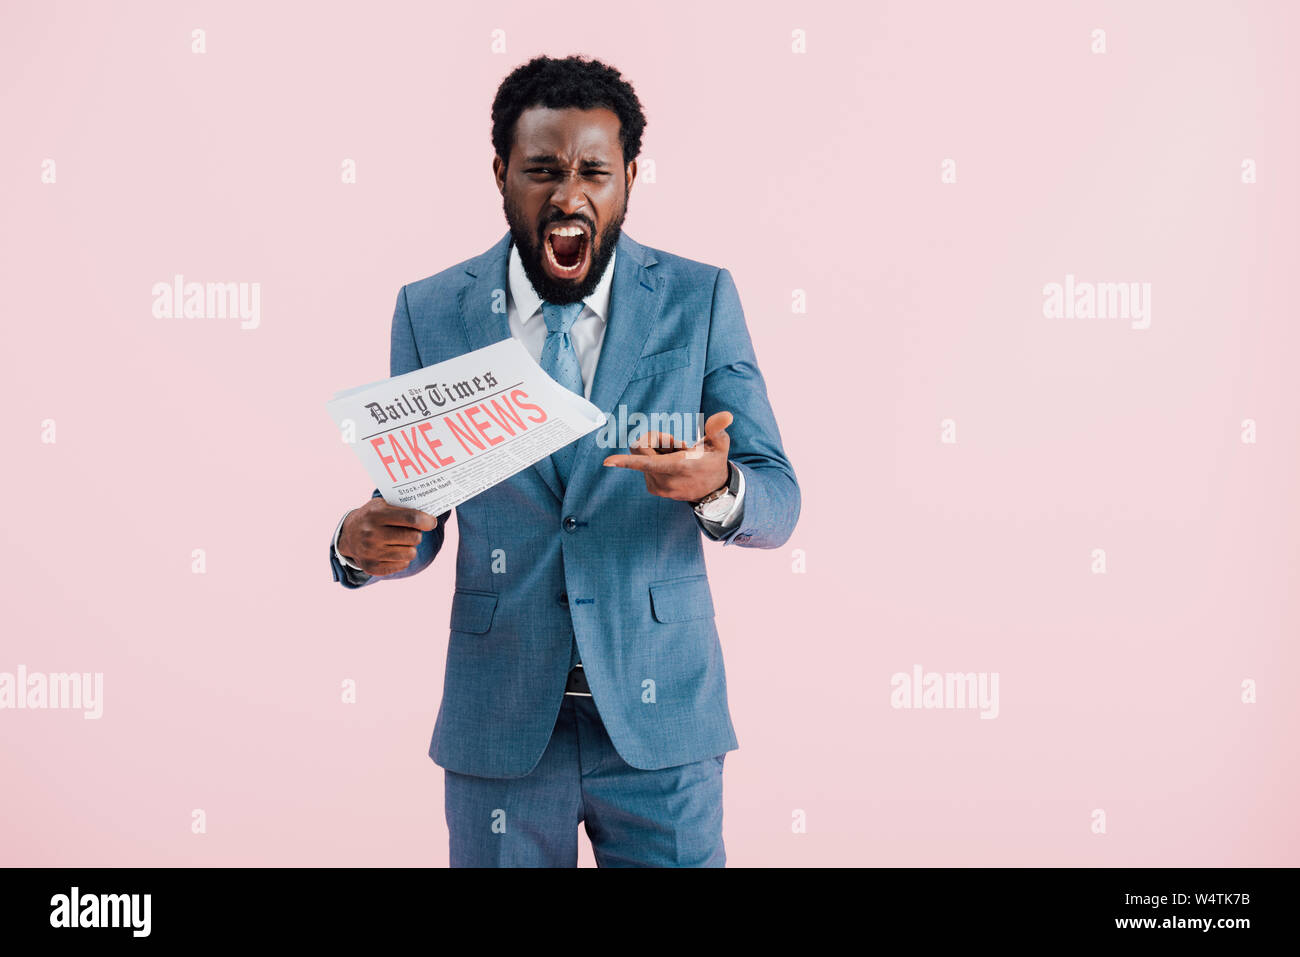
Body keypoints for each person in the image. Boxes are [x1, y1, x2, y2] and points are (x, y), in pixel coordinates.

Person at [329, 54, 800, 867]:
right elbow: (419, 508)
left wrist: (719, 488)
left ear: (630, 178)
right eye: (542, 170)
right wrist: (359, 544)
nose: (568, 194)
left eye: (594, 171)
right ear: (502, 173)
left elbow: (779, 500)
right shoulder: (430, 311)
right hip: (503, 724)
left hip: (662, 725)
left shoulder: (701, 297)